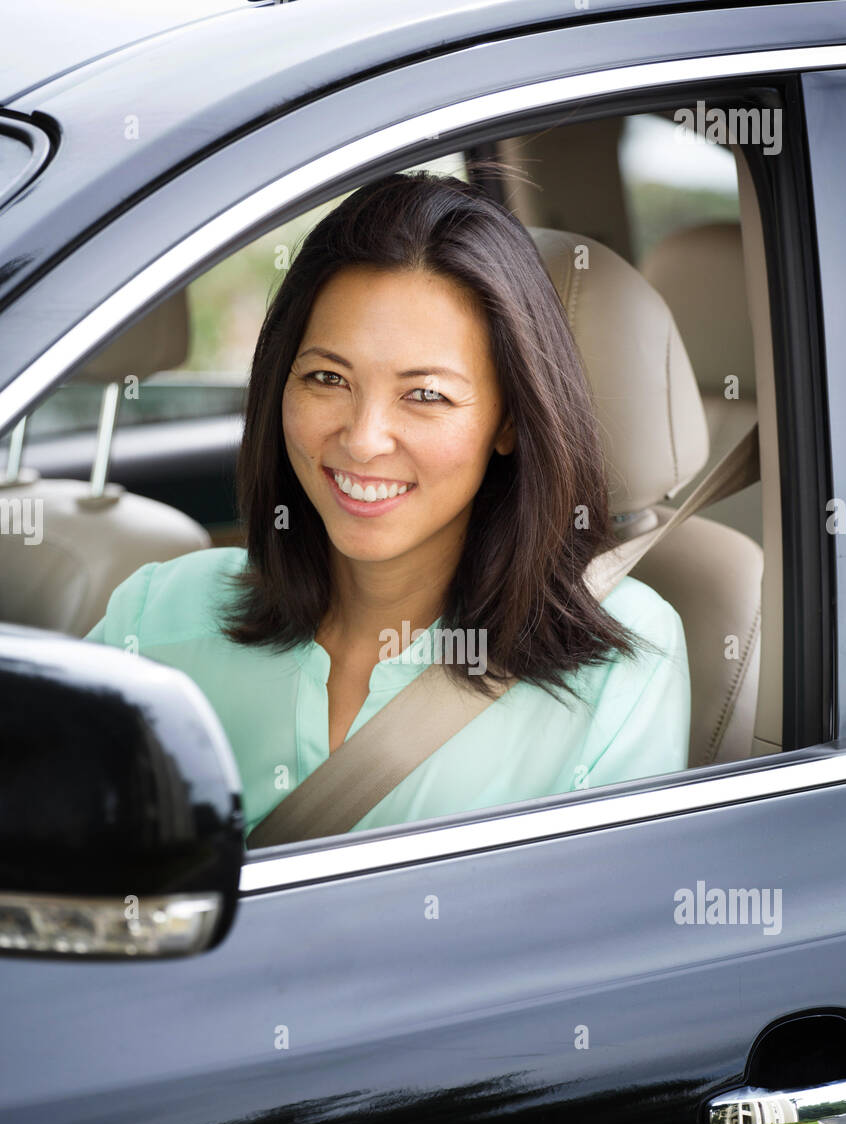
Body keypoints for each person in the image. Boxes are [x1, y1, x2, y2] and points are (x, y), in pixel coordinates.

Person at [84, 170, 690, 842]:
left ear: (510, 421)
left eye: (425, 394)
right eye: (327, 378)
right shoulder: (158, 614)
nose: (364, 439)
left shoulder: (618, 664)